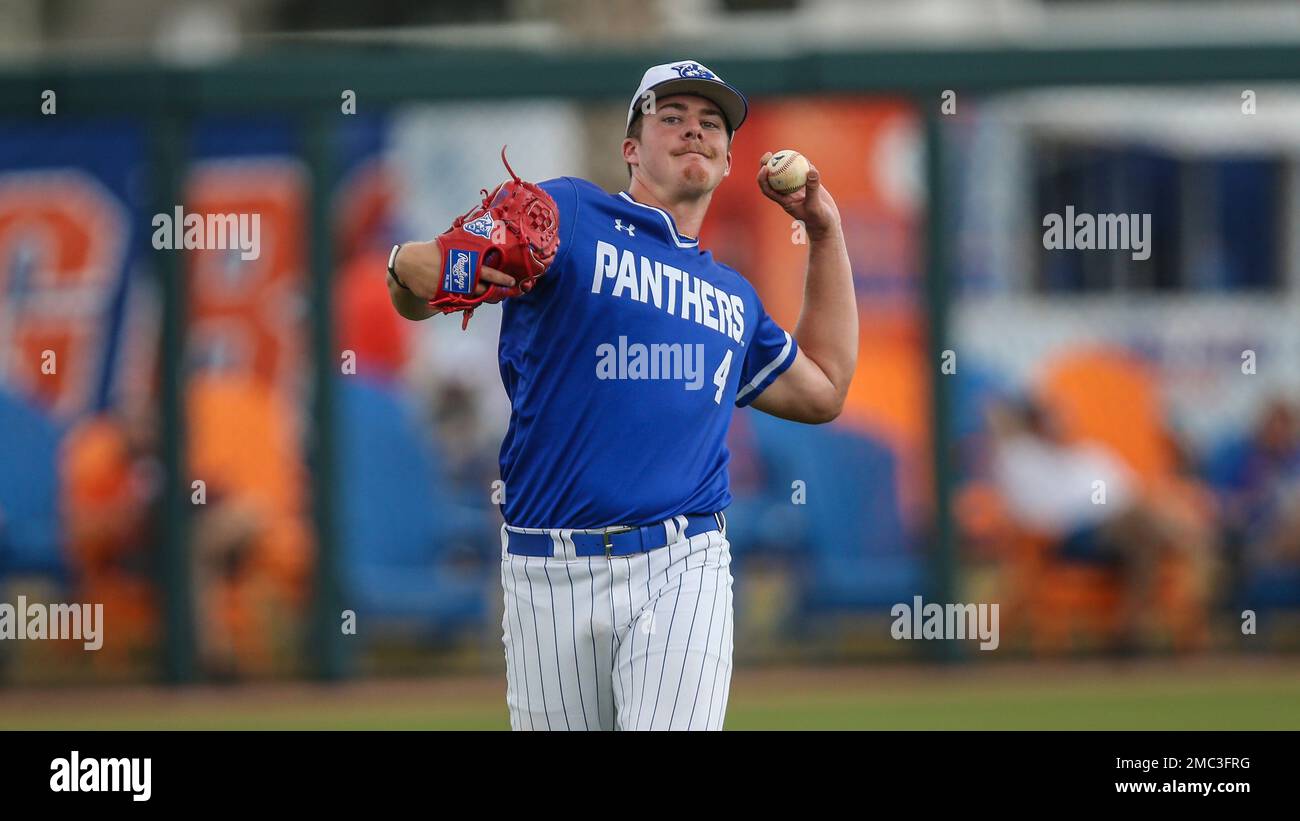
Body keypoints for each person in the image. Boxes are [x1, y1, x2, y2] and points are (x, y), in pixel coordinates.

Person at [385, 60, 857, 730]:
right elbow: (422, 285)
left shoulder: (731, 298)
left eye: (711, 123)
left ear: (727, 161)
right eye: (672, 118)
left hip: (681, 559)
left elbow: (825, 386)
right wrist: (411, 264)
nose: (694, 130)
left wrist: (825, 231)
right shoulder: (571, 216)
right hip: (544, 570)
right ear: (632, 148)